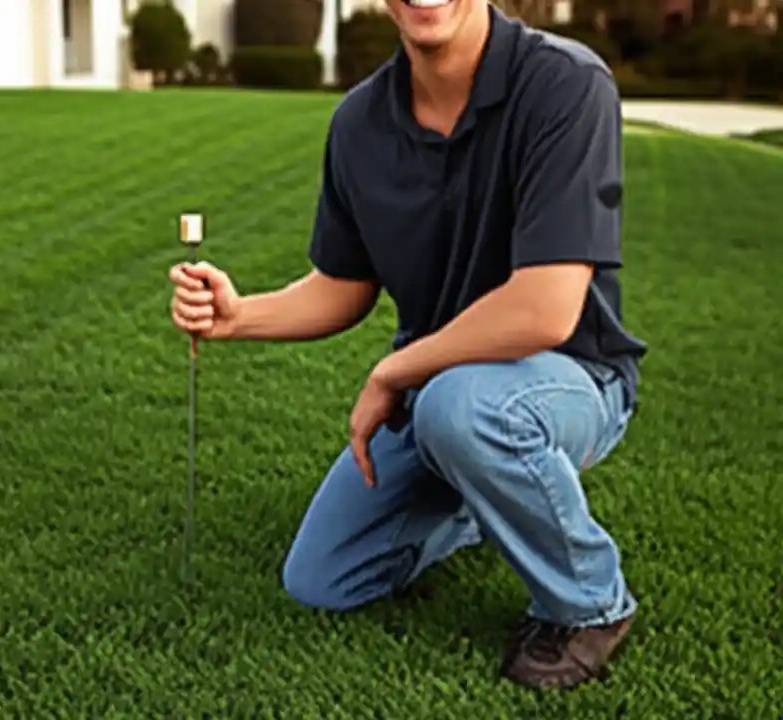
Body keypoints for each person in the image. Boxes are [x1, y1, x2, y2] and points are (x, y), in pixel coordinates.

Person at [166, 0, 648, 691]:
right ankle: (491, 495)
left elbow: (545, 308)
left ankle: (591, 605)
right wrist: (238, 316)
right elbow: (345, 284)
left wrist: (395, 370)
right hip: (439, 394)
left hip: (570, 378)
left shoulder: (566, 84)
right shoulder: (360, 123)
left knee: (462, 409)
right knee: (323, 578)